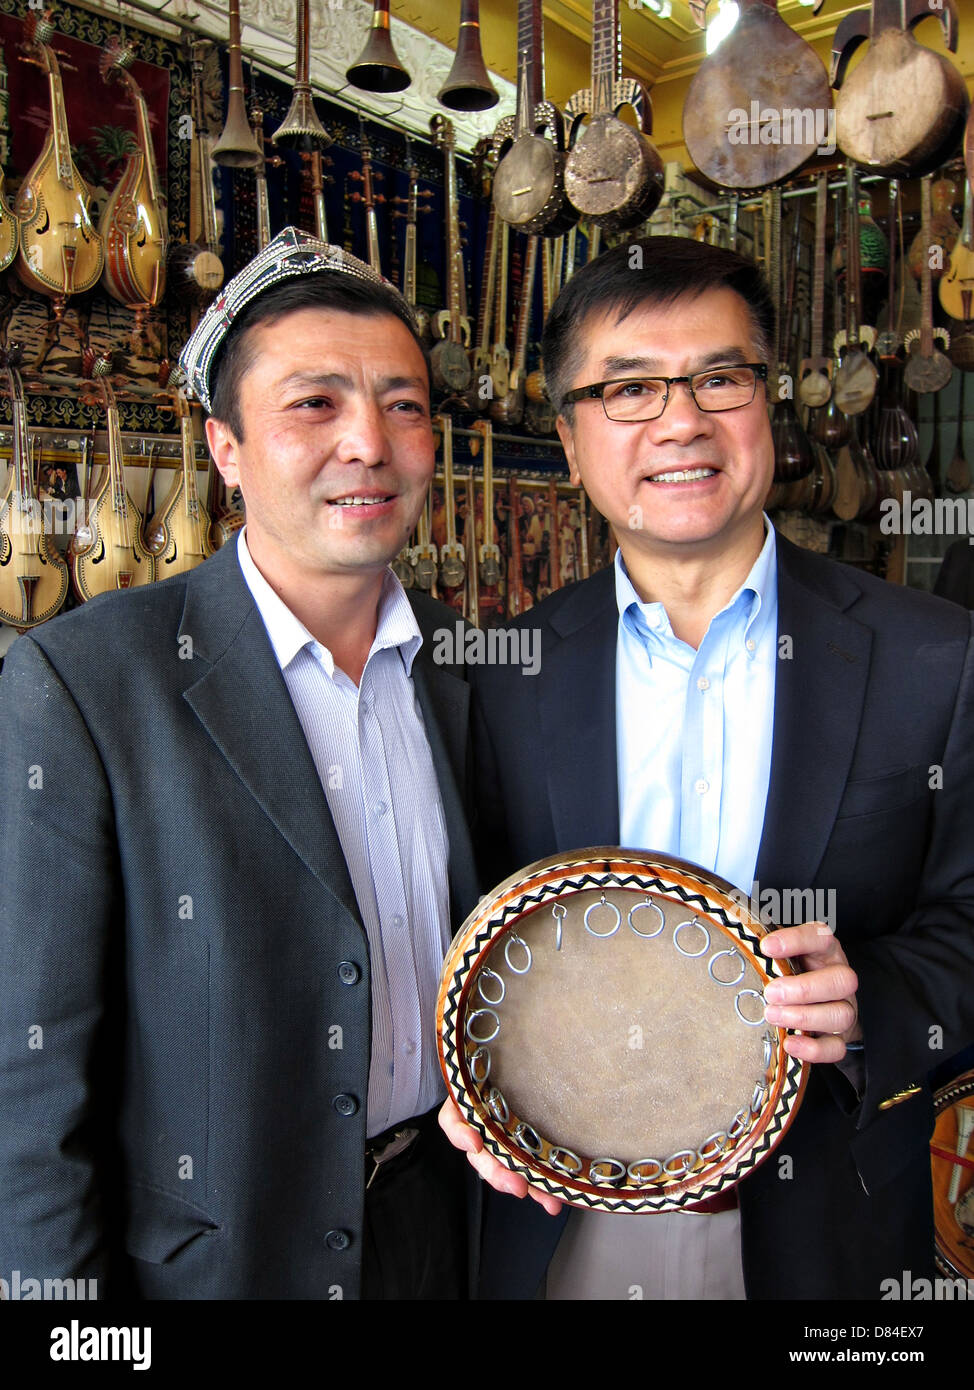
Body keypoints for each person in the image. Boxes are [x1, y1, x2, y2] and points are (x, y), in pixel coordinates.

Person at [441, 235, 974, 1300]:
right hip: (560, 1217)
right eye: (628, 388)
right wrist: (465, 1080)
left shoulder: (935, 657)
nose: (680, 420)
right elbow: (465, 930)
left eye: (718, 377)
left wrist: (873, 995)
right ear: (570, 435)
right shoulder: (497, 675)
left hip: (828, 1227)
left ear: (764, 404)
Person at [0, 228, 479, 1300]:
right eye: (314, 404)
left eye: (402, 404)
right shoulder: (86, 682)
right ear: (225, 450)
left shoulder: (463, 666)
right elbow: (29, 1085)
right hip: (219, 1264)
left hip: (444, 1230)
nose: (369, 441)